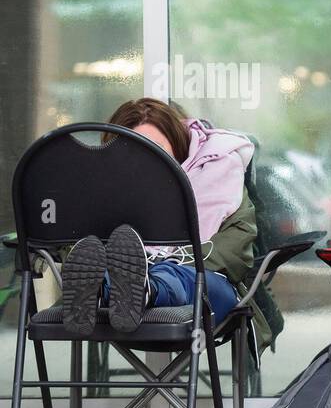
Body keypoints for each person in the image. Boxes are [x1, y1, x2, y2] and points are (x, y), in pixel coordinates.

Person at [60, 98, 270, 352]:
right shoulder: (104, 188)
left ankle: (145, 289)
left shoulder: (221, 176)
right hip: (117, 298)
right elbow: (74, 243)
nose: (147, 160)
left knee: (188, 279)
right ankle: (101, 291)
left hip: (204, 285)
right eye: (132, 151)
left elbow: (235, 249)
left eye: (157, 149)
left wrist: (161, 267)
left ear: (178, 148)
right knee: (104, 266)